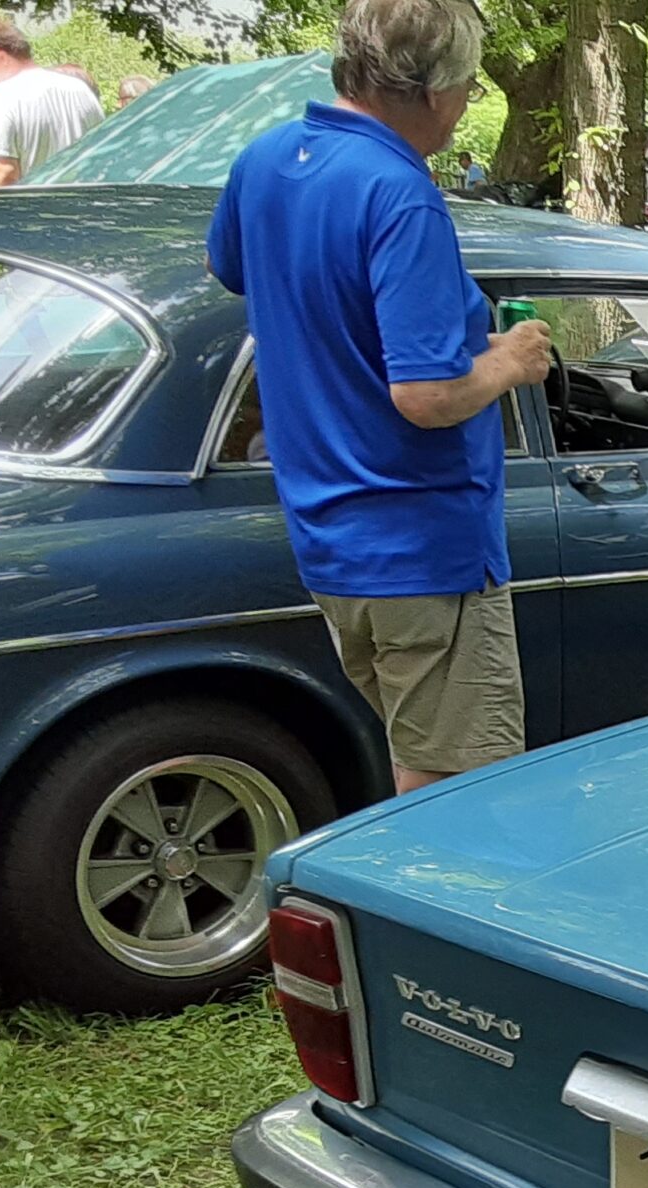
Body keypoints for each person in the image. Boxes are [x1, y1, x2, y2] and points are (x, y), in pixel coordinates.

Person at [206, 0, 552, 795]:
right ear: (430, 90)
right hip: (422, 545)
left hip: (329, 537)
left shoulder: (265, 158)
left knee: (416, 766)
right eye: (467, 89)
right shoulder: (400, 194)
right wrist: (508, 362)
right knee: (462, 799)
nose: (465, 109)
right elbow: (427, 396)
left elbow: (232, 268)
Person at [0, 17, 101, 186]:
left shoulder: (3, 95)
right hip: (84, 206)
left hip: (33, 208)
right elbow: (101, 155)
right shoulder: (80, 90)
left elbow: (5, 172)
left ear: (2, 57)